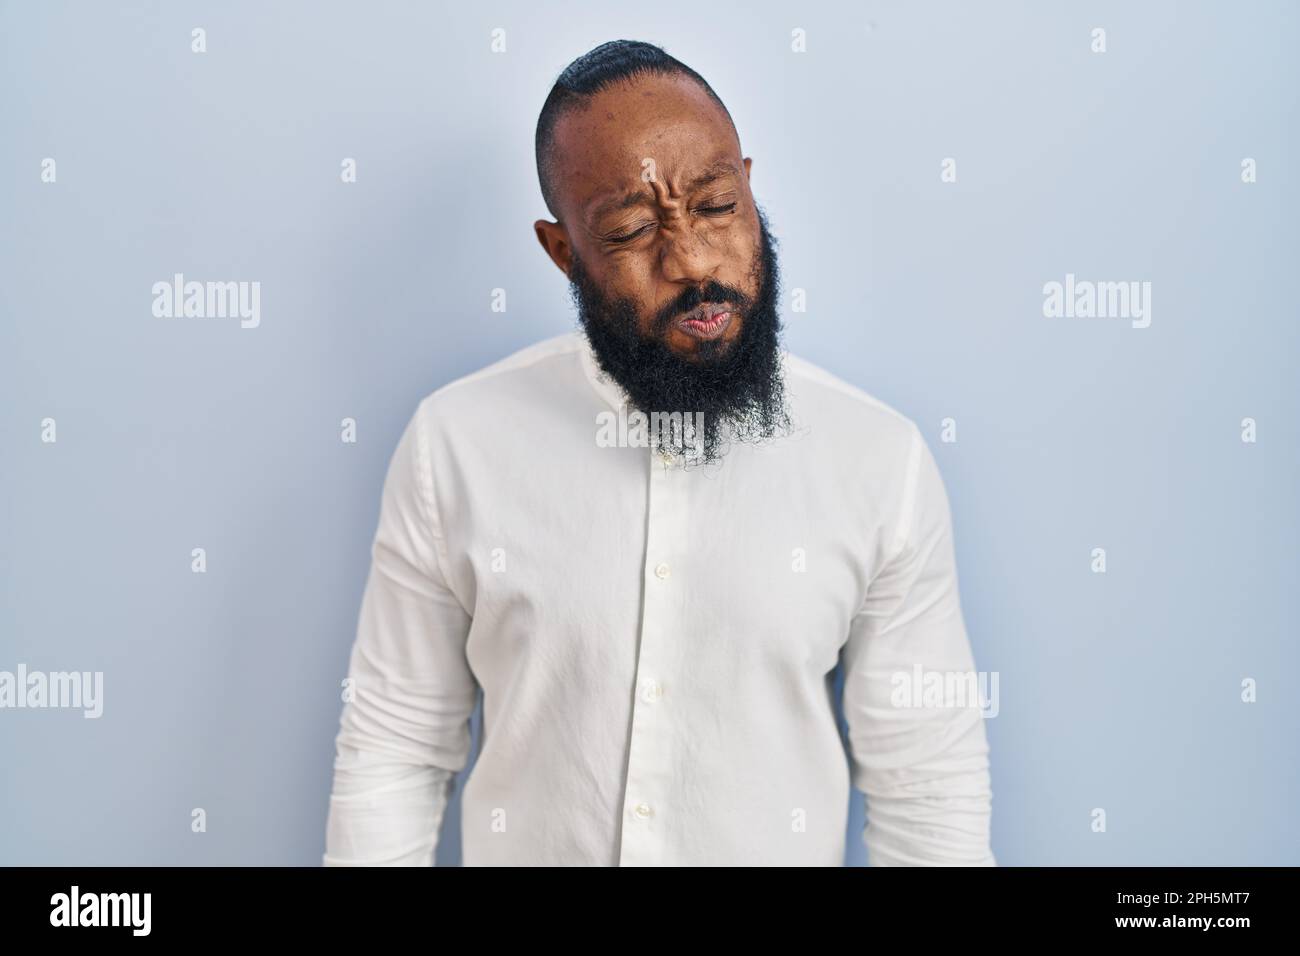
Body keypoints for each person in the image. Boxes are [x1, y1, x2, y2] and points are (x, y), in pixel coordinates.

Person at [323, 39, 995, 866]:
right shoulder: (453, 445)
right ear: (563, 251)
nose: (693, 262)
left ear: (749, 187)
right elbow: (395, 753)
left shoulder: (877, 462)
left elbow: (928, 795)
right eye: (634, 230)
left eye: (716, 206)